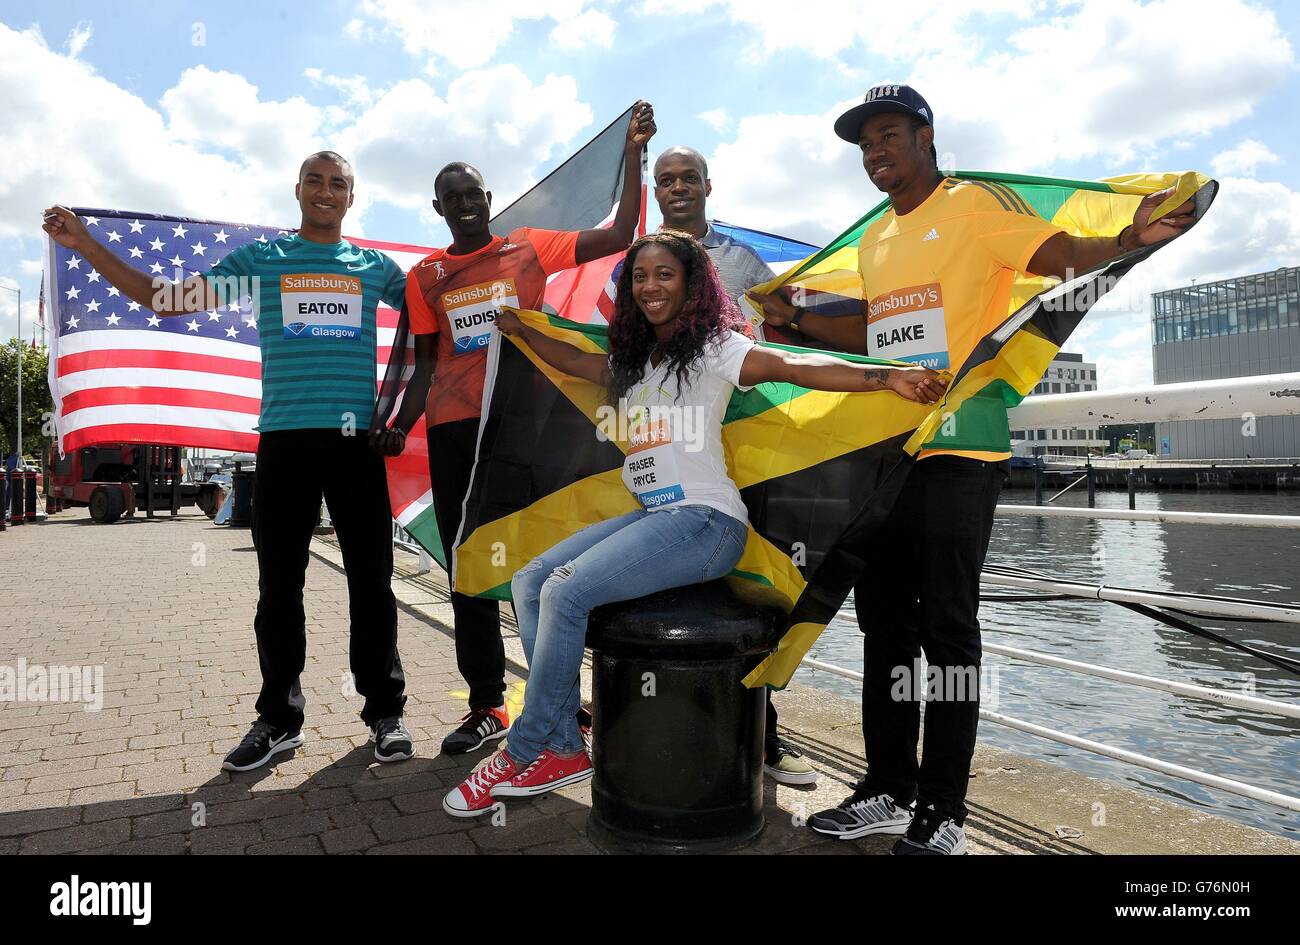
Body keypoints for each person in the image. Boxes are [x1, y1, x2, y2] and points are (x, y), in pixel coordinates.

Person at [753, 84, 1198, 854]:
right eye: (865, 144)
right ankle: (887, 787)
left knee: (948, 629)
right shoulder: (877, 239)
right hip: (891, 449)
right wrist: (800, 320)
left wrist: (1127, 235)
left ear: (927, 136)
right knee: (883, 627)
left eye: (888, 135)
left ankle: (944, 808)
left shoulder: (974, 207)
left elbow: (1064, 258)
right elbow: (873, 321)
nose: (876, 153)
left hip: (962, 446)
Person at [441, 229, 947, 816]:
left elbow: (790, 364)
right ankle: (562, 743)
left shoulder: (714, 348)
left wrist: (887, 376)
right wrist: (524, 330)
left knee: (564, 590)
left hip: (706, 522)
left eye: (664, 274)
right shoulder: (632, 362)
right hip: (656, 514)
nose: (650, 286)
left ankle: (525, 748)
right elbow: (575, 361)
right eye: (639, 277)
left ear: (690, 284)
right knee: (531, 580)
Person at [43, 151, 416, 771]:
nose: (327, 192)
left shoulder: (375, 268)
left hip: (356, 444)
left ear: (352, 197)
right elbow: (165, 299)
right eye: (316, 181)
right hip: (285, 442)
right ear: (297, 189)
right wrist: (85, 245)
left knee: (372, 585)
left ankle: (385, 712)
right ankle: (279, 718)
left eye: (339, 184)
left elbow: (433, 313)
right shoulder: (262, 262)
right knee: (278, 589)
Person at [377, 102, 657, 755]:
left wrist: (634, 154)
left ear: (489, 198)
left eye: (475, 193)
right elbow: (423, 366)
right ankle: (486, 706)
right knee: (468, 565)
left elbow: (619, 234)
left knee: (554, 562)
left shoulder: (529, 246)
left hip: (527, 428)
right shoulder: (426, 277)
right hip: (455, 433)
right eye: (455, 198)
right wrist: (396, 425)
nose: (468, 203)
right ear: (440, 209)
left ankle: (564, 696)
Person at [651, 144, 817, 787]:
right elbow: (619, 347)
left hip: (744, 442)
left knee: (756, 582)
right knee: (674, 584)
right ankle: (679, 724)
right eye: (667, 180)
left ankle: (766, 732)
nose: (679, 188)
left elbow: (775, 344)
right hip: (670, 450)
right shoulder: (635, 268)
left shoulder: (743, 263)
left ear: (708, 186)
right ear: (657, 192)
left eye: (689, 177)